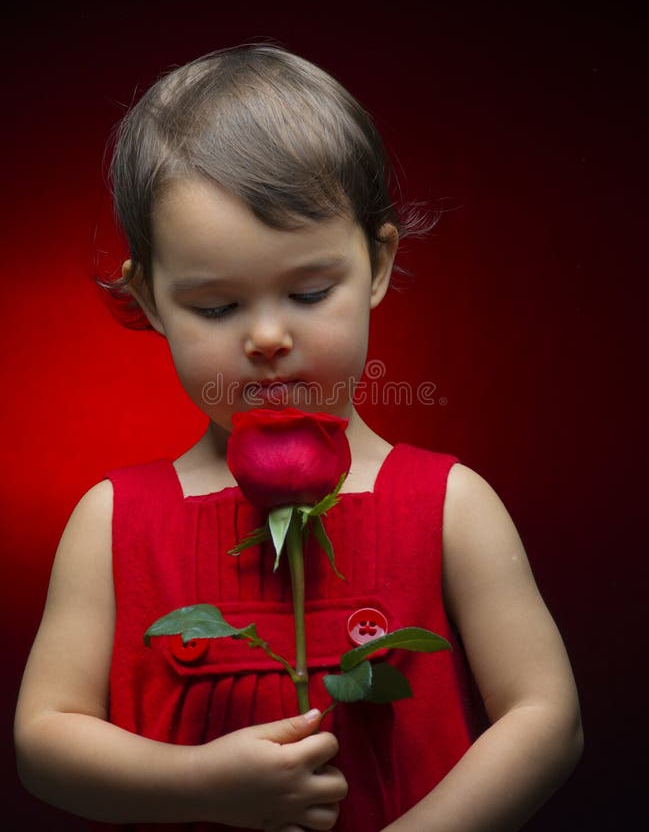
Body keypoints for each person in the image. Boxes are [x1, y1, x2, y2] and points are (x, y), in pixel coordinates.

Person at [14, 44, 583, 832]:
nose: (269, 337)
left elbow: (545, 715)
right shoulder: (113, 521)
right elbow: (43, 742)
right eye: (216, 308)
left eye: (310, 291)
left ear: (377, 263)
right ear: (149, 298)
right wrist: (196, 781)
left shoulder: (448, 503)